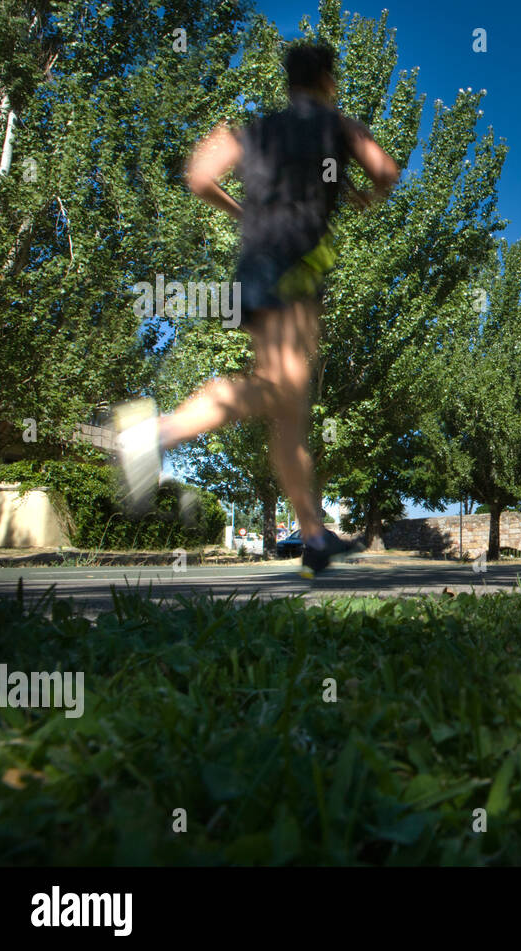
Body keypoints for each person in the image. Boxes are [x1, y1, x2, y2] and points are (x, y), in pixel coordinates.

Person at [113, 40, 399, 578]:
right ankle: (154, 435)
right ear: (328, 81)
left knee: (288, 417)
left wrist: (242, 210)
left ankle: (314, 540)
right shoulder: (339, 126)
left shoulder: (254, 130)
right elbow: (386, 169)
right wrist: (362, 193)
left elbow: (199, 175)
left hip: (252, 272)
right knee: (279, 390)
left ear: (289, 83)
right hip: (296, 273)